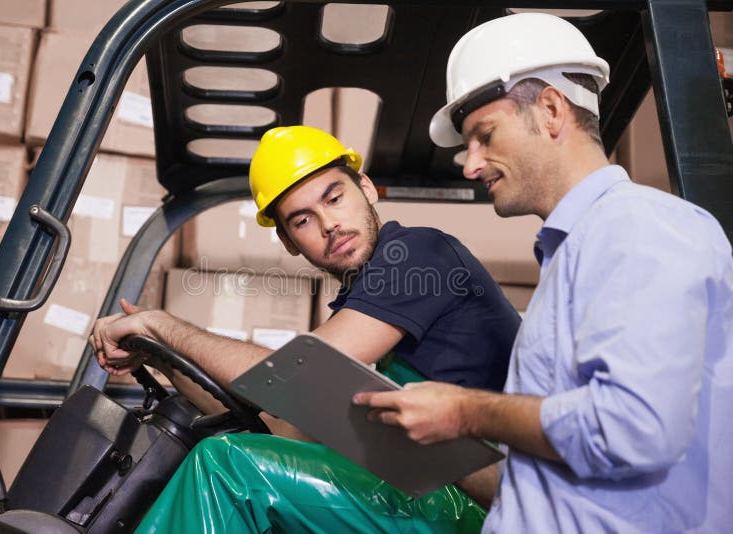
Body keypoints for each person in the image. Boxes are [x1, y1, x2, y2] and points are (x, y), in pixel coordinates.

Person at [354, 12, 733, 532]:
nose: (470, 164)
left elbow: (636, 428)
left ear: (552, 110)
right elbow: (546, 476)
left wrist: (466, 411)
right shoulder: (574, 252)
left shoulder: (640, 228)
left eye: (485, 135)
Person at [92, 125, 521, 531]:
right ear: (288, 242)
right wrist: (163, 356)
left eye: (334, 198)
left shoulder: (417, 256)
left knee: (229, 469)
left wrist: (163, 325)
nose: (329, 224)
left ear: (366, 188)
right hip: (421, 485)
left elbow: (297, 378)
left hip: (478, 500)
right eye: (302, 220)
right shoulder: (358, 310)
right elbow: (278, 422)